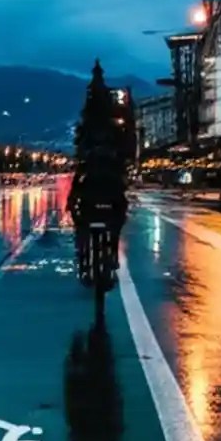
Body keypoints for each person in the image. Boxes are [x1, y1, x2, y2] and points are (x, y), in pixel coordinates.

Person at [67, 60, 129, 286]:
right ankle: (110, 252)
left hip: (92, 185)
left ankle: (85, 254)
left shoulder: (88, 122)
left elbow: (81, 151)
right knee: (118, 214)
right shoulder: (111, 127)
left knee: (80, 215)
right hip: (110, 184)